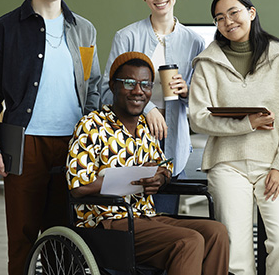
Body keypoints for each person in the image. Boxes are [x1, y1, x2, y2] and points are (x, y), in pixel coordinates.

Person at [0, 0, 101, 275]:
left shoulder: (84, 31)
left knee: (70, 236)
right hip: (22, 144)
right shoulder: (4, 29)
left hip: (73, 146)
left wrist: (89, 139)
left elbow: (92, 88)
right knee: (23, 237)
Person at [67, 51, 229, 275]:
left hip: (147, 217)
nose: (138, 91)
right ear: (113, 86)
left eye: (145, 84)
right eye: (129, 83)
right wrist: (123, 181)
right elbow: (78, 187)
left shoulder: (145, 128)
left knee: (216, 232)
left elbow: (163, 167)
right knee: (188, 241)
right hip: (109, 222)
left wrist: (158, 179)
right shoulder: (91, 126)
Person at [189, 0, 279, 275]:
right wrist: (247, 124)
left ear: (251, 13)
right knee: (235, 252)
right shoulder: (206, 63)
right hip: (227, 165)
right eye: (219, 18)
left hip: (273, 166)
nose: (228, 21)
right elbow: (198, 119)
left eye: (233, 12)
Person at [99, 0, 206, 214]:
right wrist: (148, 109)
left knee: (165, 218)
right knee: (128, 219)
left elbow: (202, 100)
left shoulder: (195, 42)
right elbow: (106, 89)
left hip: (171, 141)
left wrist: (187, 92)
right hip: (127, 140)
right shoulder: (127, 36)